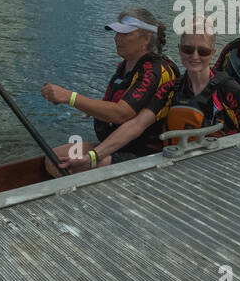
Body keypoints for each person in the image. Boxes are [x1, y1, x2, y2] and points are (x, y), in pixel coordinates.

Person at [64, 19, 240, 171]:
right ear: (180, 50)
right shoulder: (171, 89)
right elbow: (136, 125)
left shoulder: (230, 91)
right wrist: (93, 157)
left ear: (213, 53)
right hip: (176, 167)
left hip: (219, 168)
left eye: (203, 51)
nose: (195, 56)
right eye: (188, 49)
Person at [41, 9, 178, 174]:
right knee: (54, 158)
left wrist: (70, 97)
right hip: (113, 145)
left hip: (141, 154)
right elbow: (116, 105)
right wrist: (92, 108)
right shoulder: (125, 66)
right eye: (116, 32)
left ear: (146, 38)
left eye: (125, 34)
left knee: (68, 167)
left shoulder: (155, 70)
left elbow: (122, 113)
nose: (116, 38)